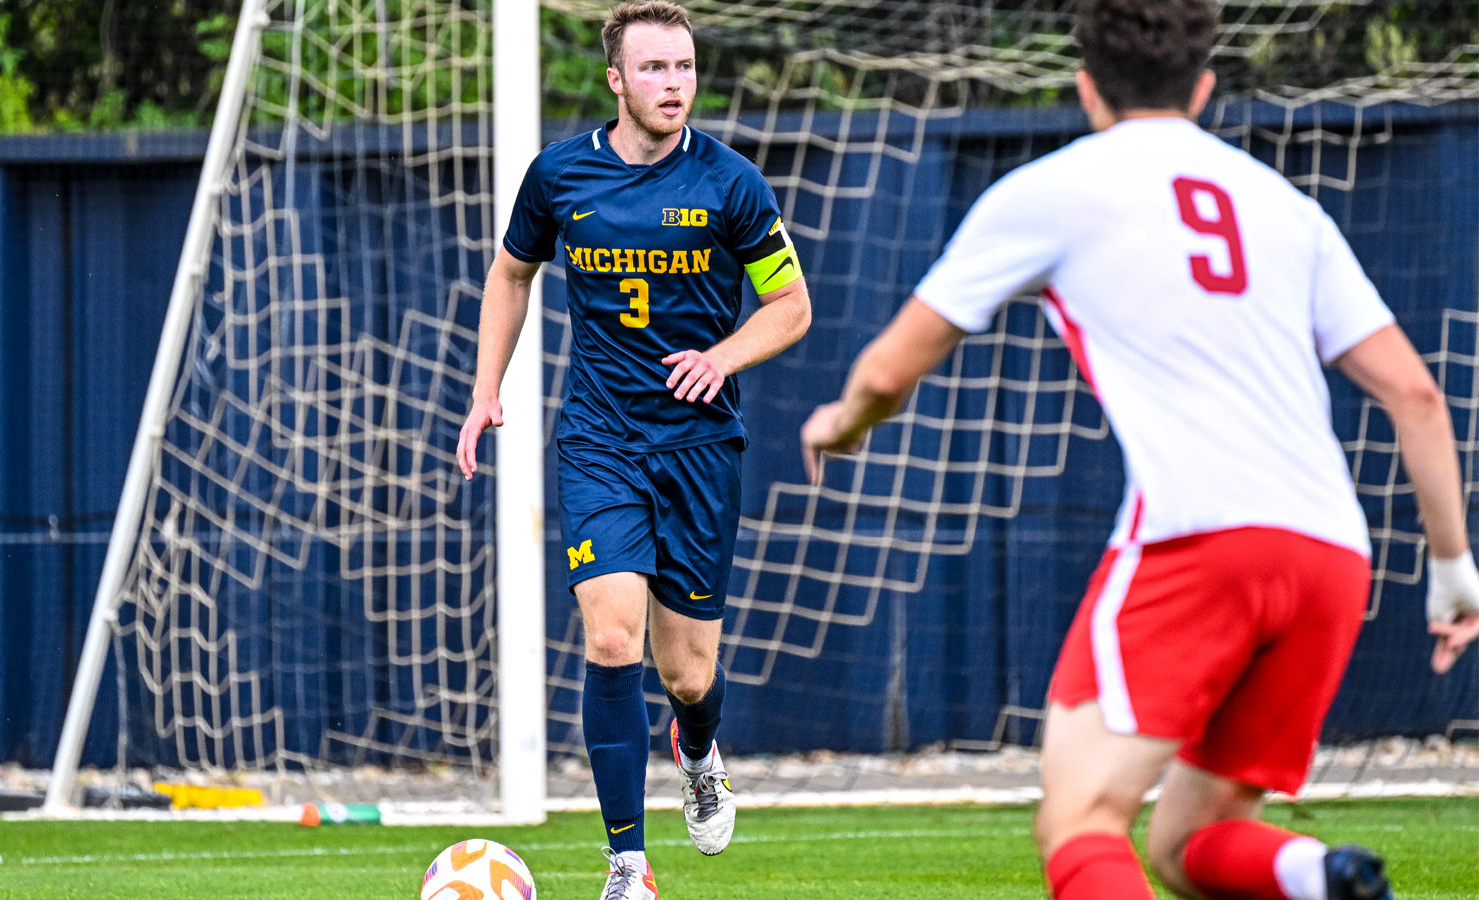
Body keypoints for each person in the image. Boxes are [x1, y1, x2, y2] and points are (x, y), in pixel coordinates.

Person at [798, 1, 1479, 898]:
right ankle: (1327, 878)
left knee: (1080, 819)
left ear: (1086, 88)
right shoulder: (1287, 208)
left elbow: (889, 370)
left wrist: (841, 423)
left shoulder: (1052, 189)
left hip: (1198, 538)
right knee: (1189, 841)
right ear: (1202, 88)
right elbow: (1417, 395)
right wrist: (1454, 571)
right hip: (1329, 556)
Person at [456, 2, 811, 896]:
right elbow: (511, 273)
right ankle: (627, 864)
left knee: (687, 674)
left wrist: (721, 357)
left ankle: (699, 750)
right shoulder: (559, 174)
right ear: (616, 79)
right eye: (654, 68)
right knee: (612, 637)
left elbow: (791, 306)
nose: (674, 83)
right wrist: (487, 388)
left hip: (699, 447)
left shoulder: (733, 184)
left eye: (684, 67)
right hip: (600, 439)